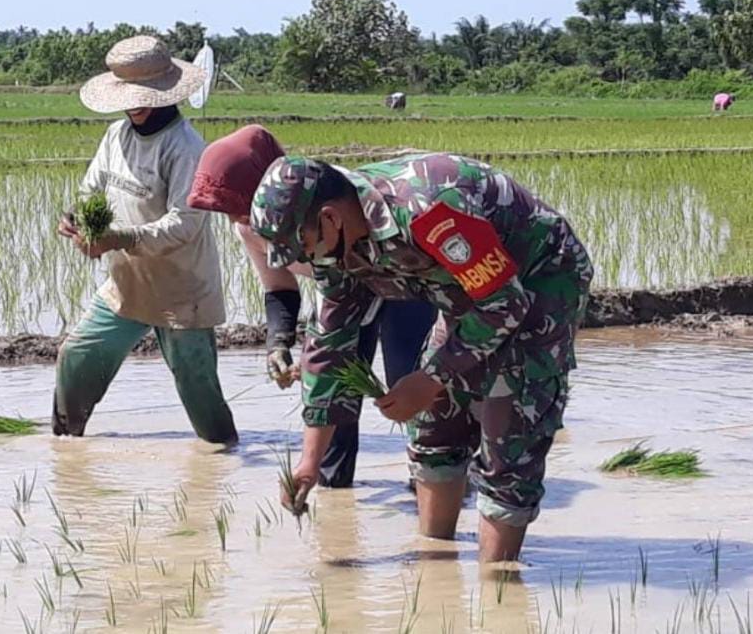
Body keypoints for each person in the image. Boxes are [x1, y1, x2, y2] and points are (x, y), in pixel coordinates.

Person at [251, 153, 593, 562]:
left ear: (329, 218)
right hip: (466, 292)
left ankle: (497, 586)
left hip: (538, 280)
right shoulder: (332, 246)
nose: (305, 259)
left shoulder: (429, 211)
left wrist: (431, 378)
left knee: (510, 433)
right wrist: (310, 461)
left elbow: (504, 303)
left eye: (302, 245)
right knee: (434, 421)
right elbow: (330, 343)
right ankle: (435, 564)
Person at [187, 124, 436, 486]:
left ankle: (433, 478)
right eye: (224, 211)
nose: (235, 219)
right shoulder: (246, 228)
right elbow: (279, 288)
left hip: (399, 283)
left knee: (408, 380)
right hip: (341, 296)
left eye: (237, 206)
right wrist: (279, 343)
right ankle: (332, 493)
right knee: (334, 389)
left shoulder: (319, 209)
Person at [52, 35, 237, 444]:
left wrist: (119, 238)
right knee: (77, 355)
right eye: (129, 95)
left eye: (146, 95)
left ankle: (222, 463)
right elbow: (91, 191)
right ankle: (65, 443)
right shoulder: (116, 136)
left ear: (167, 92)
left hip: (181, 289)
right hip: (126, 285)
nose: (136, 104)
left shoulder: (186, 148)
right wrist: (79, 220)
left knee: (200, 394)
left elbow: (186, 224)